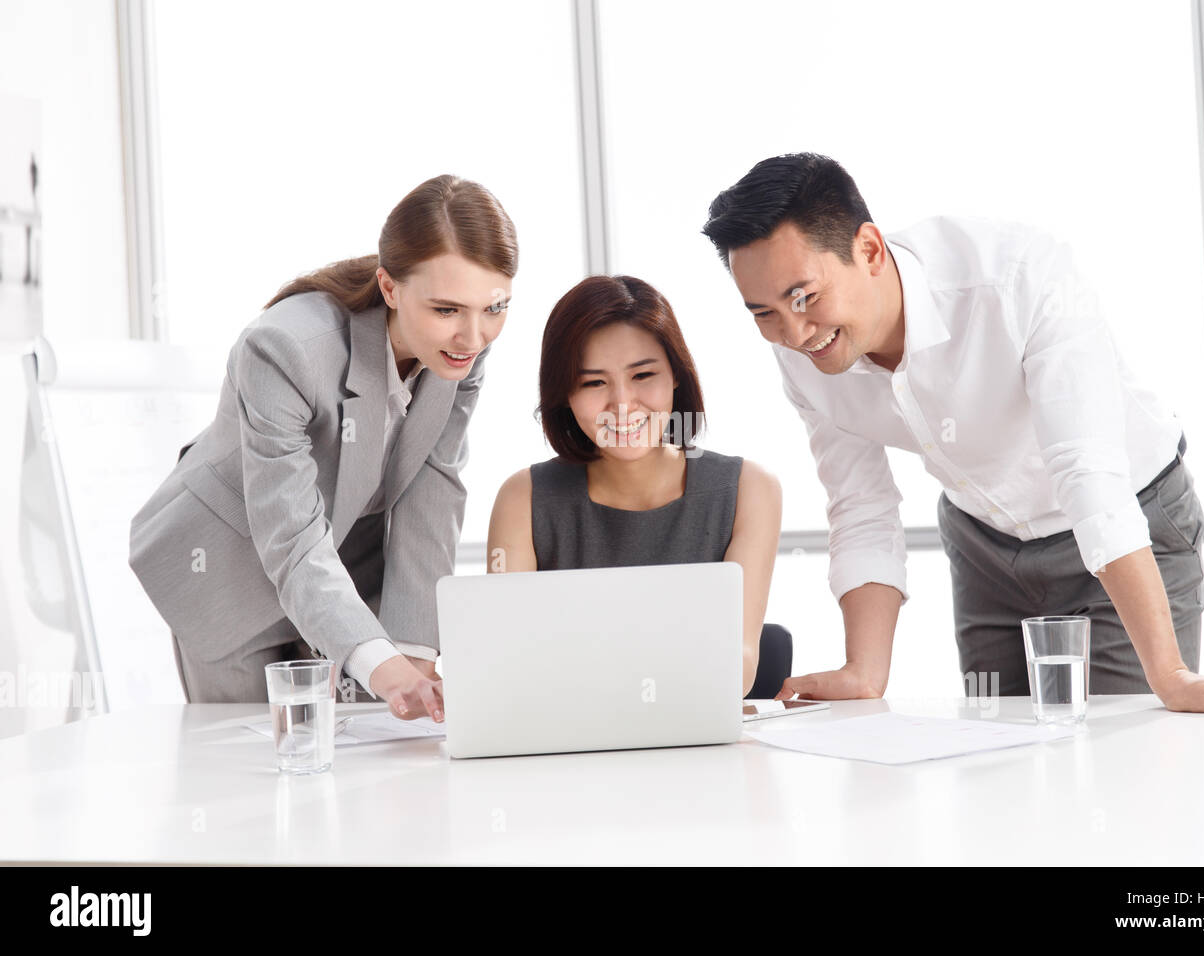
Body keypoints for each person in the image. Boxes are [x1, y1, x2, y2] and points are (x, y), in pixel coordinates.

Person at [701, 152, 1204, 714]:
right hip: (984, 544)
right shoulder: (802, 354)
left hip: (1127, 517)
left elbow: (1087, 471)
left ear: (870, 248)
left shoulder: (1016, 276)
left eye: (803, 296)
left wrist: (1170, 676)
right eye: (763, 313)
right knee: (1002, 762)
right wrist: (865, 672)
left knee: (1124, 760)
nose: (795, 332)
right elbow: (861, 504)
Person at [129, 174, 517, 722]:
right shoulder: (284, 347)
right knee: (249, 777)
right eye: (447, 309)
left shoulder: (463, 351)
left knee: (371, 772)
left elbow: (434, 489)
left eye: (494, 308)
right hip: (228, 571)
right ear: (389, 289)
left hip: (343, 565)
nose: (474, 336)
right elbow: (290, 535)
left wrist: (413, 650)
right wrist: (382, 664)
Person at [486, 275, 784, 697]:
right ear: (563, 394)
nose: (622, 406)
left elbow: (736, 664)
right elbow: (505, 661)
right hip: (566, 746)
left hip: (695, 743)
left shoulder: (749, 490)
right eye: (593, 383)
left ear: (676, 375)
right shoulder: (524, 497)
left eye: (643, 375)